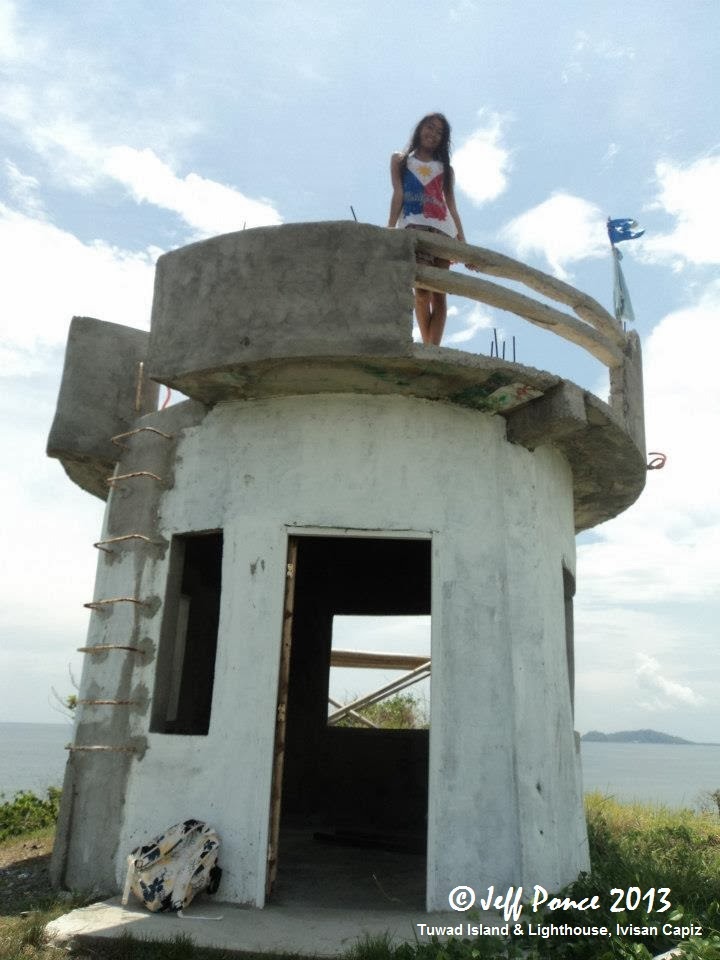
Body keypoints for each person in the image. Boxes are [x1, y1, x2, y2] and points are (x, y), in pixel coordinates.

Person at [388, 113, 470, 346]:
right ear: (420, 127)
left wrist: (462, 242)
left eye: (439, 132)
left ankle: (431, 350)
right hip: (415, 227)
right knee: (422, 291)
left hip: (443, 230)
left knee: (439, 294)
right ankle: (429, 347)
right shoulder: (401, 160)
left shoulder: (446, 169)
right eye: (430, 127)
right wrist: (390, 228)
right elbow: (398, 194)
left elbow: (451, 205)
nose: (432, 134)